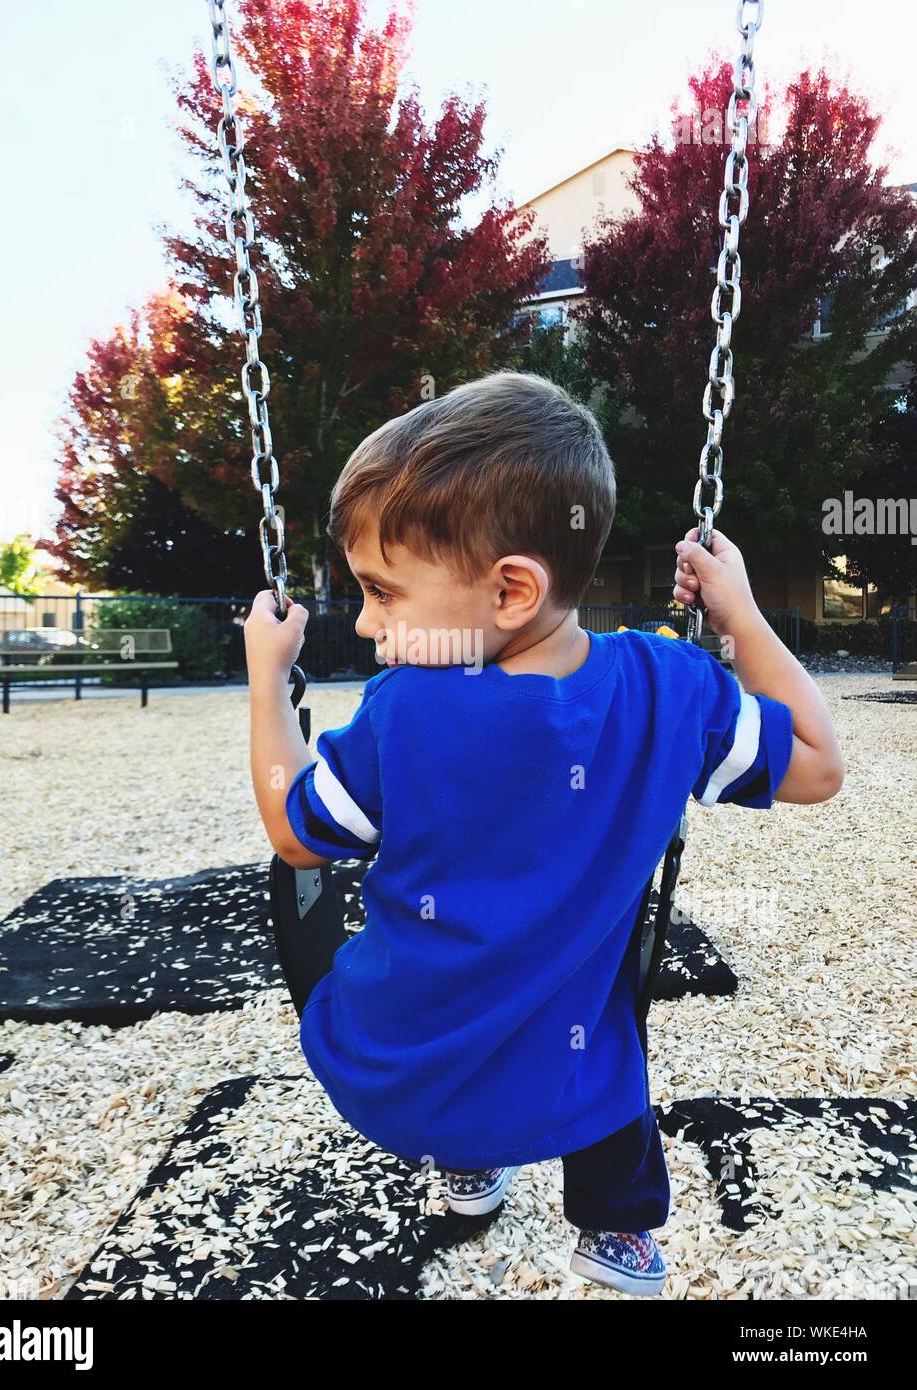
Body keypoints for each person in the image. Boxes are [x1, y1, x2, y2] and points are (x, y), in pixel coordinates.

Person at [244, 371, 845, 1297]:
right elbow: (816, 764)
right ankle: (619, 1234)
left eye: (381, 592)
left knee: (423, 1012)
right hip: (573, 1065)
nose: (365, 625)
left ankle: (470, 1159)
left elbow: (294, 834)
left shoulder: (402, 714)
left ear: (511, 590)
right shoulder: (668, 688)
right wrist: (741, 617)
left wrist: (263, 680)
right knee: (601, 1041)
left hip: (405, 1060)